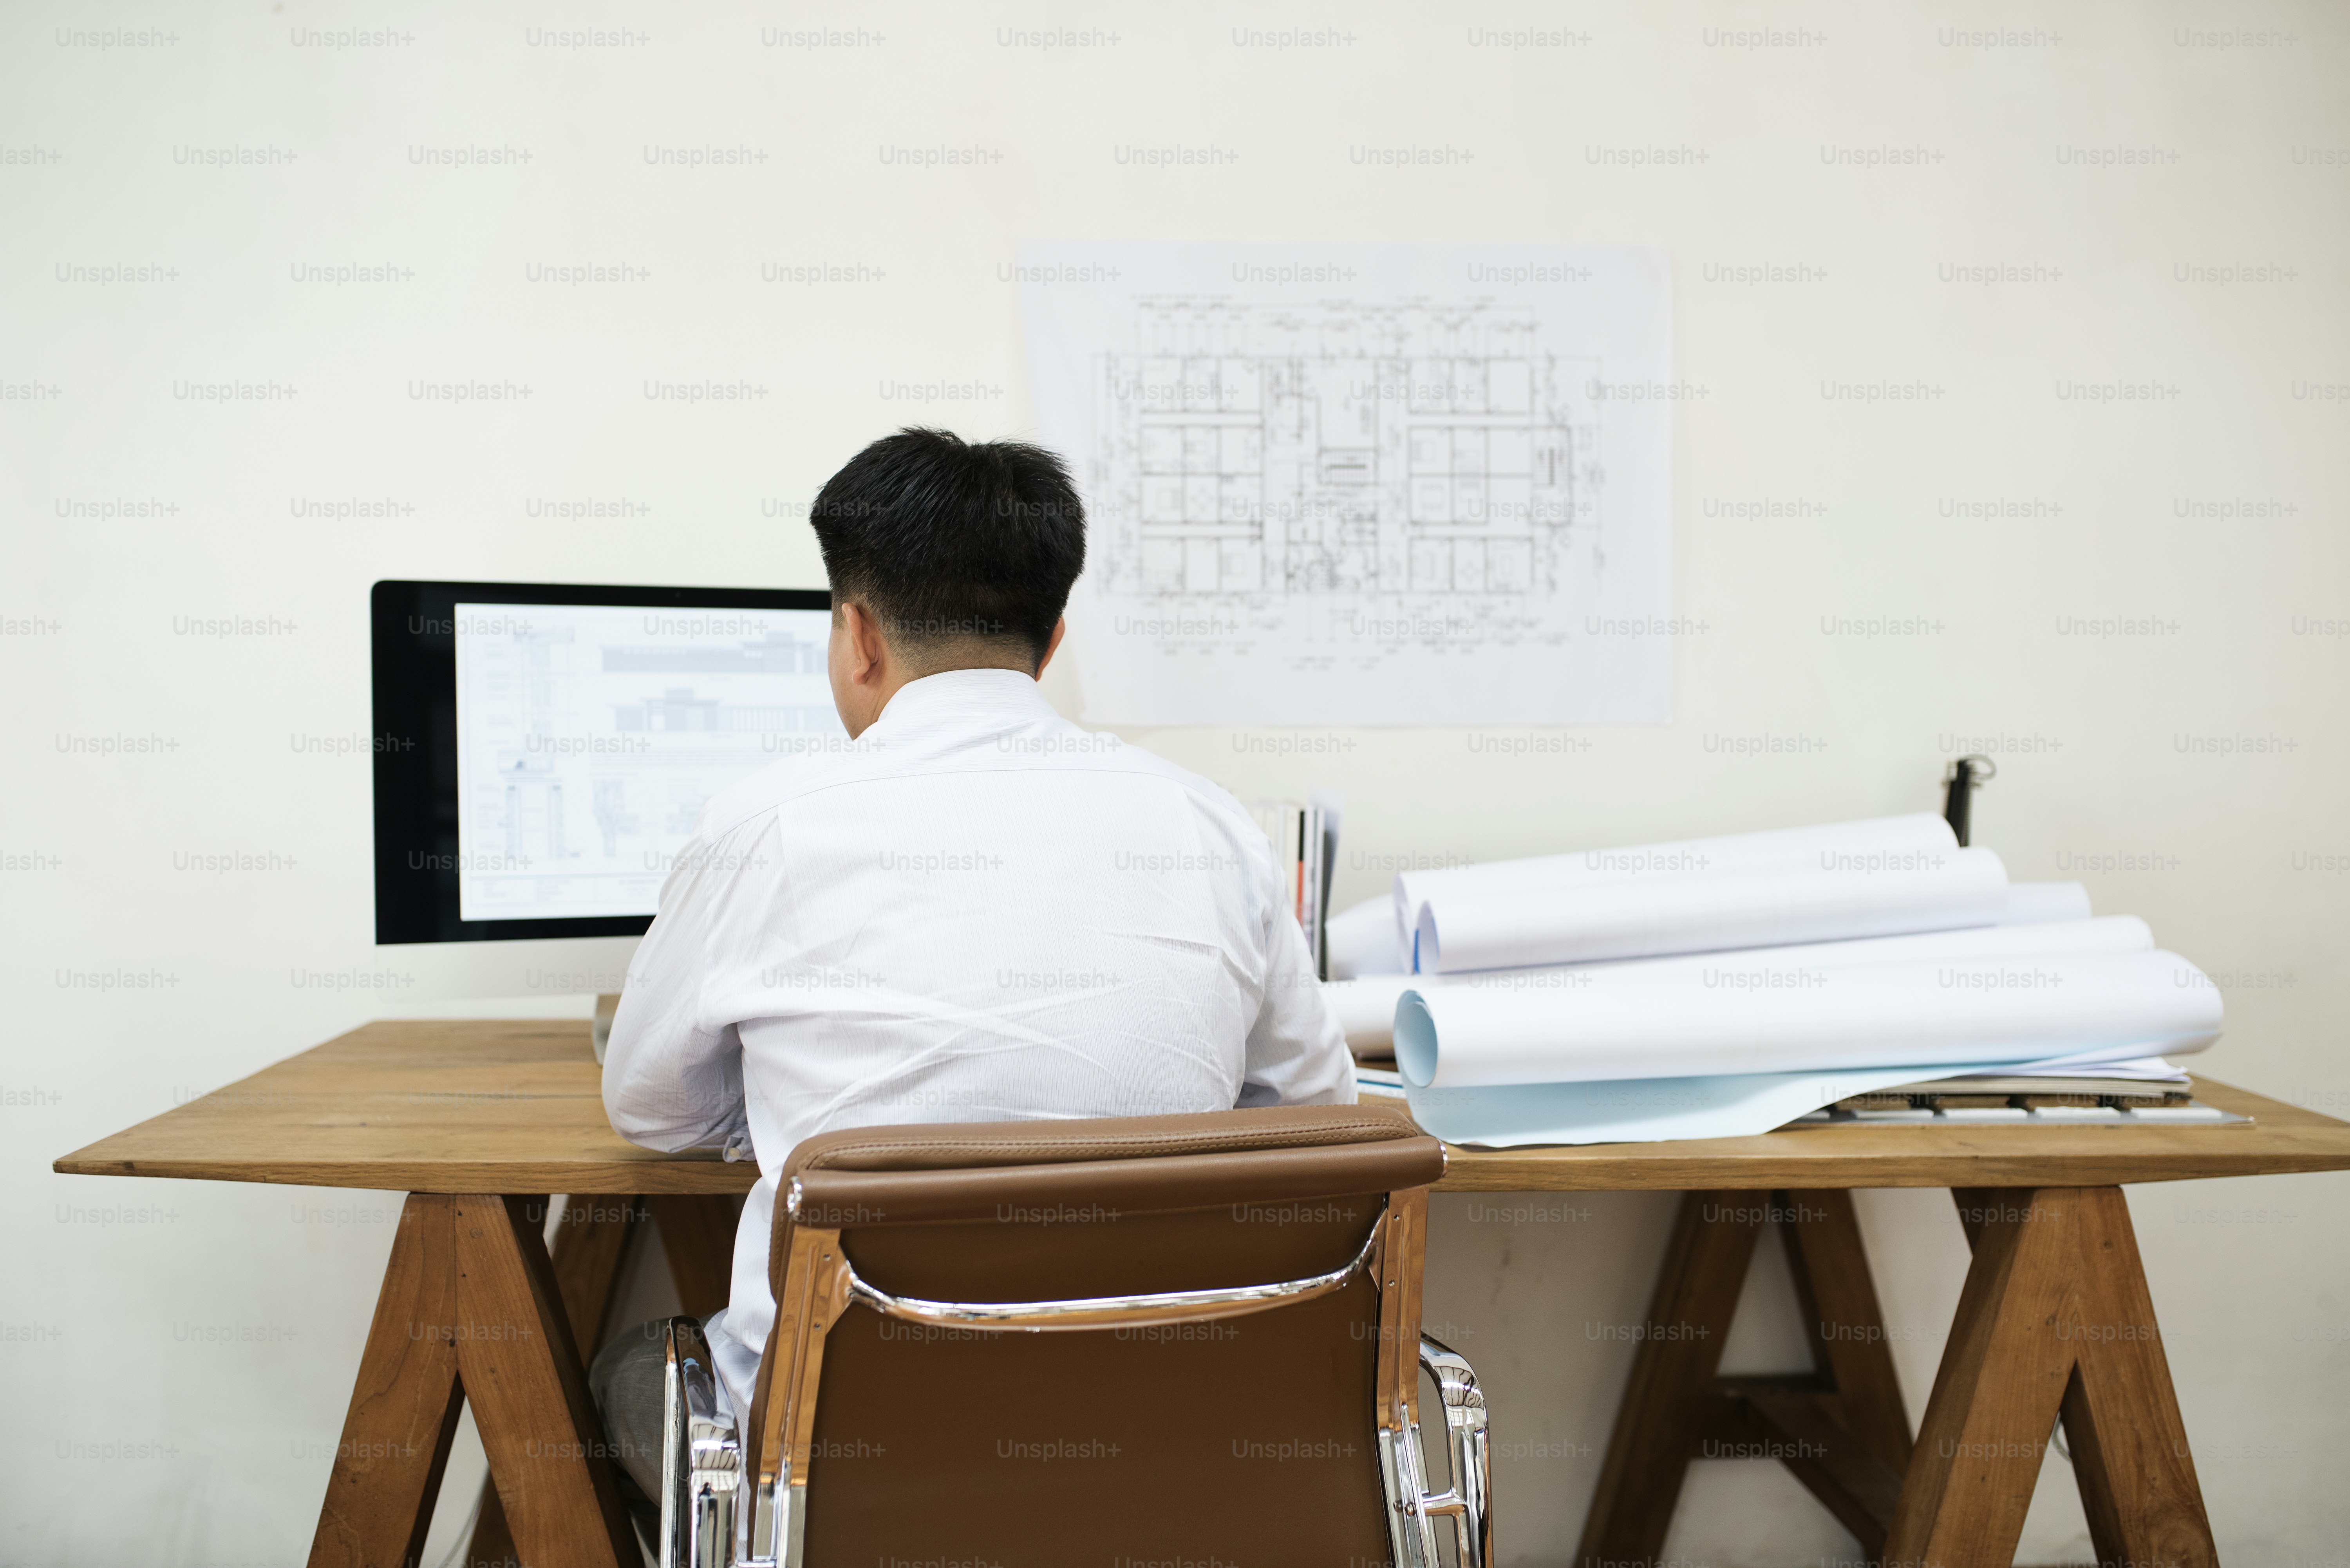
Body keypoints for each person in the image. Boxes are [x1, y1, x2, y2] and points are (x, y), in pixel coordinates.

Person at [591, 426, 1354, 1537]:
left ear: (857, 635)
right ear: (1049, 641)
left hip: (839, 1454)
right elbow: (1320, 1126)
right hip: (1175, 1433)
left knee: (623, 1366)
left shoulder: (764, 822)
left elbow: (649, 1110)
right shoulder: (1209, 824)